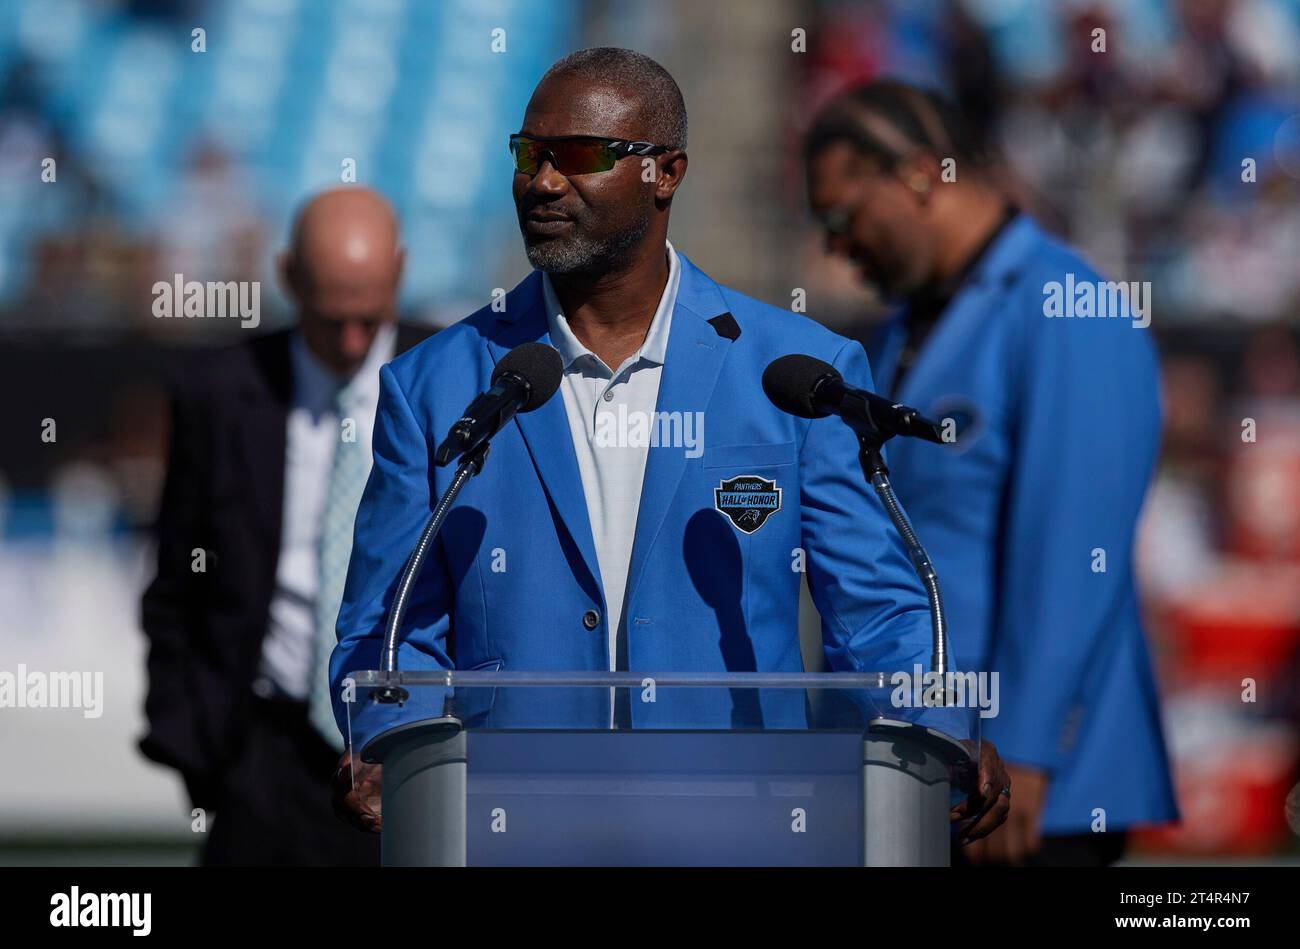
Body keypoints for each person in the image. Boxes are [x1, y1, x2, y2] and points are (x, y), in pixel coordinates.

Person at [330, 48, 1011, 846]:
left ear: (666, 173)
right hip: (513, 827)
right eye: (529, 155)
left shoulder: (800, 373)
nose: (543, 183)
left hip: (745, 823)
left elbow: (876, 608)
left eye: (580, 156)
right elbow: (388, 626)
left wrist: (937, 725)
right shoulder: (434, 384)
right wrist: (391, 745)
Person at [803, 80, 1178, 865]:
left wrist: (1026, 748)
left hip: (1032, 788)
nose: (837, 248)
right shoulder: (909, 324)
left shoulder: (1068, 308)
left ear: (917, 174)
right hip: (940, 762)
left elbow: (1077, 554)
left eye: (842, 218)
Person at [139, 187, 431, 865]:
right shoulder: (219, 394)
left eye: (369, 317)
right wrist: (198, 748)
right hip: (261, 761)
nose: (353, 341)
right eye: (332, 319)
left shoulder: (454, 383)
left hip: (413, 757)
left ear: (400, 273)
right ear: (289, 277)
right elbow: (177, 581)